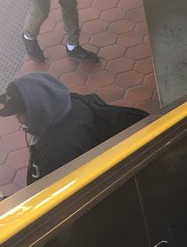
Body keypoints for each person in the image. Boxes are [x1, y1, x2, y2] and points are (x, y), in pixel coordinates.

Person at [0, 73, 147, 184]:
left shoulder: (55, 154)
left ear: (38, 111)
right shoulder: (68, 103)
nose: (17, 118)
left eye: (20, 113)